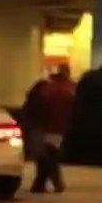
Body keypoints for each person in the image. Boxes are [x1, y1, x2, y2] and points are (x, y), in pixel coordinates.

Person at [22, 64, 76, 194]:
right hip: (56, 126)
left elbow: (33, 105)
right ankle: (45, 183)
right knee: (49, 154)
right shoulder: (68, 88)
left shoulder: (46, 87)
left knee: (47, 155)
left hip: (44, 126)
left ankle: (45, 183)